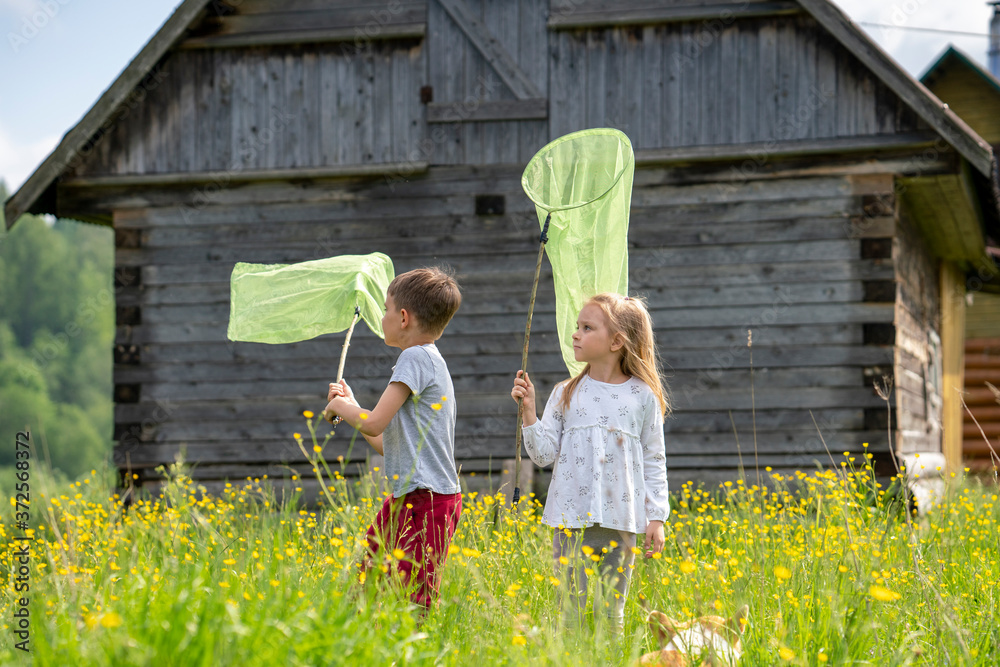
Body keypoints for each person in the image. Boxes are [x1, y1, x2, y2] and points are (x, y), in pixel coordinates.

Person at [510, 293, 669, 633]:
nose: (575, 334)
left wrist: (656, 516)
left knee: (612, 614)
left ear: (616, 341)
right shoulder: (565, 392)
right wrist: (528, 411)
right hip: (571, 520)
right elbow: (542, 456)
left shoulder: (642, 396)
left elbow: (655, 459)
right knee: (572, 612)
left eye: (587, 327)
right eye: (577, 326)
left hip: (621, 522)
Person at [324, 267, 463, 611]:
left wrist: (341, 406)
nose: (383, 316)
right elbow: (387, 442)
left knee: (412, 595)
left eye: (386, 309)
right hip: (411, 497)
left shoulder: (414, 358)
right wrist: (353, 405)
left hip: (426, 500)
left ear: (403, 317)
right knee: (368, 580)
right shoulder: (430, 361)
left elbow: (373, 425)